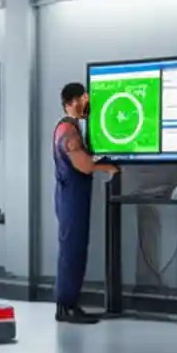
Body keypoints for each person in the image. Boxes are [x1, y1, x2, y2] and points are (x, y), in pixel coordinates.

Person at [53, 82, 118, 324]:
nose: (87, 103)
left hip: (71, 195)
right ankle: (66, 306)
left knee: (75, 249)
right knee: (72, 250)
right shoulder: (68, 131)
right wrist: (107, 167)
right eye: (84, 98)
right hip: (72, 197)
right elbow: (84, 165)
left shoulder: (69, 128)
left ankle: (69, 304)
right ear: (72, 102)